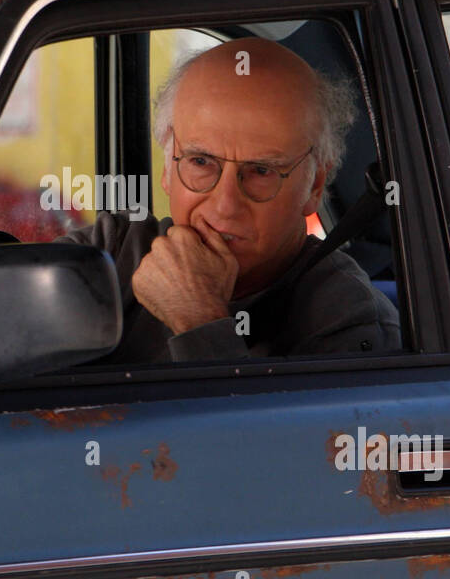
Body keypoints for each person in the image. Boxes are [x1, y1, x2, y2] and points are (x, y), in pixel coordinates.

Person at [61, 38, 401, 363]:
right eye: (201, 162)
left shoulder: (349, 318)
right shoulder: (112, 252)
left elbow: (269, 428)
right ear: (167, 168)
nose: (225, 205)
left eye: (261, 170)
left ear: (315, 186)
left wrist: (200, 322)